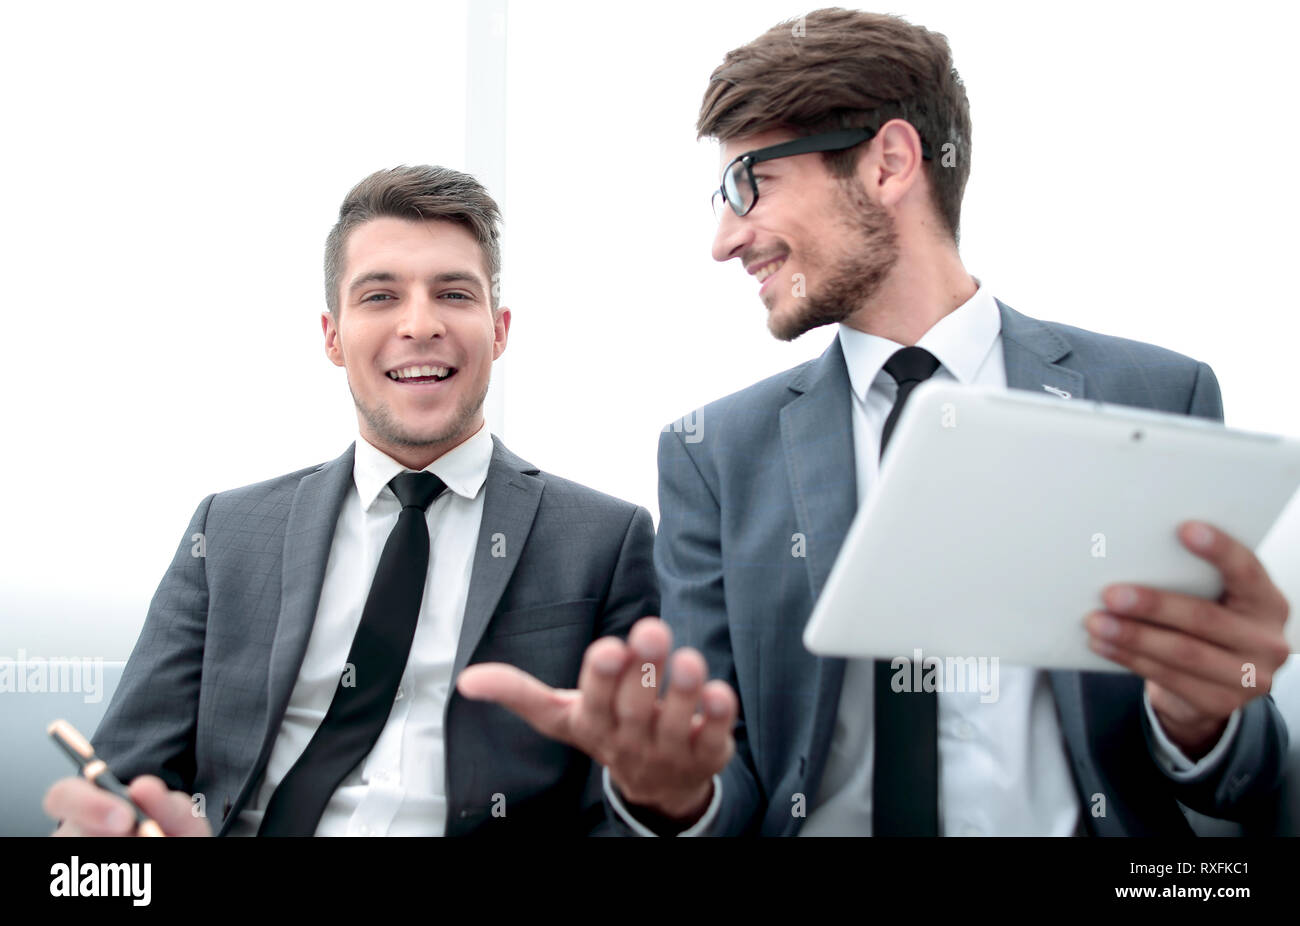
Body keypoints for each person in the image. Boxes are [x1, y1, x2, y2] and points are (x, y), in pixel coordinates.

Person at [458, 8, 1291, 836]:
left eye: (752, 182)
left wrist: (1202, 719)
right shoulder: (713, 455)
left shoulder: (1152, 397)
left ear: (889, 162)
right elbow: (727, 781)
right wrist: (667, 792)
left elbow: (1255, 782)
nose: (722, 239)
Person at [43, 165, 658, 836]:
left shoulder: (606, 539)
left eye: (453, 293)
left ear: (500, 329)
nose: (420, 325)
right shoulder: (227, 533)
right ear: (333, 336)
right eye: (380, 297)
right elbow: (127, 775)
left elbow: (627, 806)